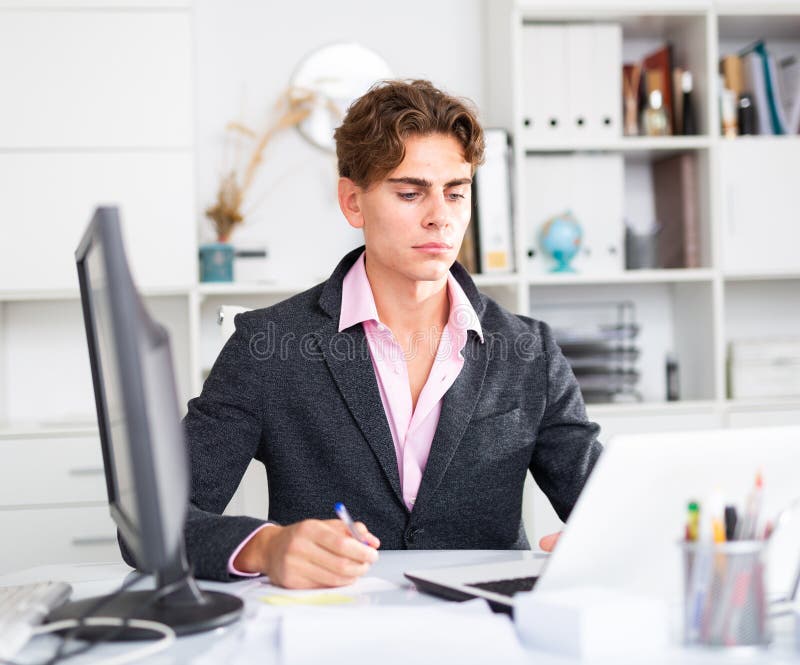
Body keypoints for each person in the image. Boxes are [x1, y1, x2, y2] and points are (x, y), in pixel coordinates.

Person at [168, 79, 602, 589]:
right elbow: (160, 520)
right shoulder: (267, 345)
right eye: (410, 192)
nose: (440, 217)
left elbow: (607, 500)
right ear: (353, 202)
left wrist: (607, 536)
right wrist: (265, 546)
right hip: (333, 631)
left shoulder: (530, 352)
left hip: (486, 634)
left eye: (455, 193)